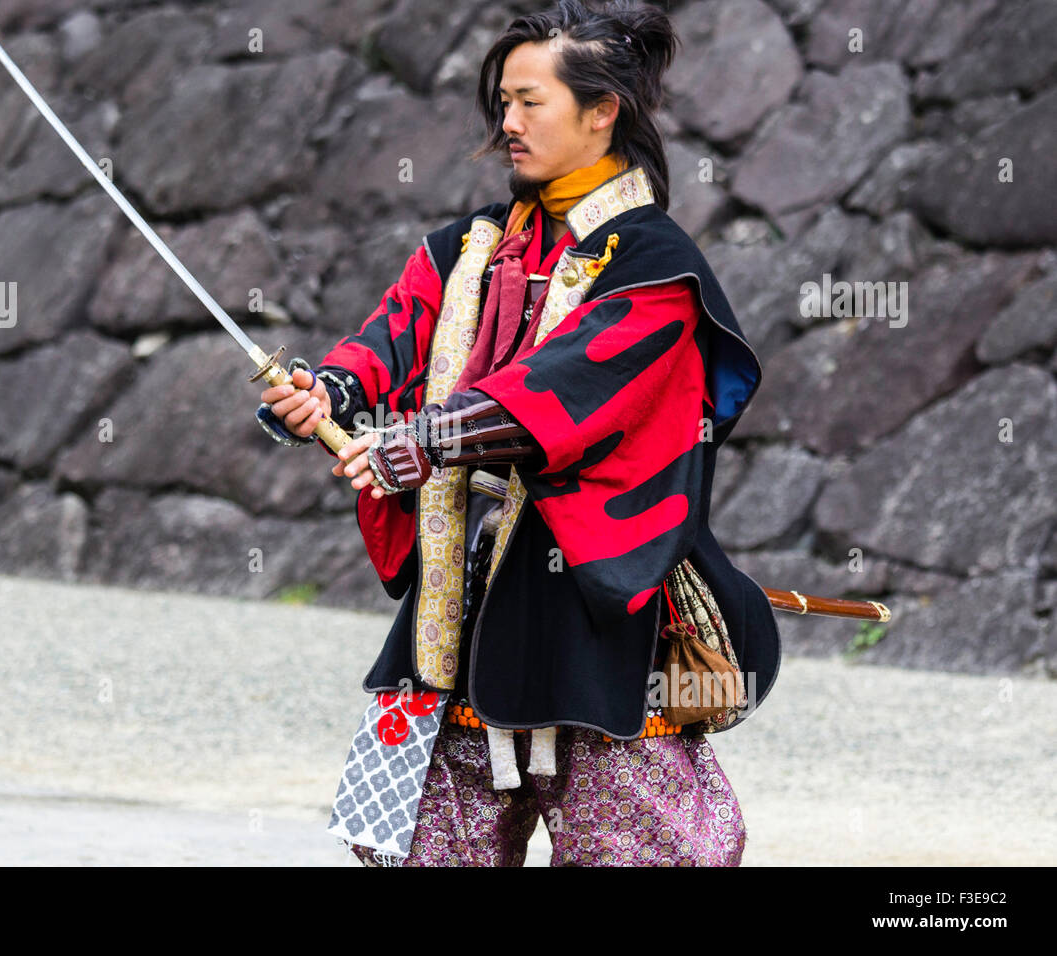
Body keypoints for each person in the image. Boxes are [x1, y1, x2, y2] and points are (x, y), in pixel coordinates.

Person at [256, 0, 780, 867]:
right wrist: (327, 390)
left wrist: (412, 445)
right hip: (448, 604)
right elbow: (389, 337)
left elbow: (556, 394)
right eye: (503, 101)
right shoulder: (466, 247)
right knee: (401, 849)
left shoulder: (656, 268)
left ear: (603, 110)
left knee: (652, 855)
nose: (508, 122)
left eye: (531, 101)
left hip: (593, 612)